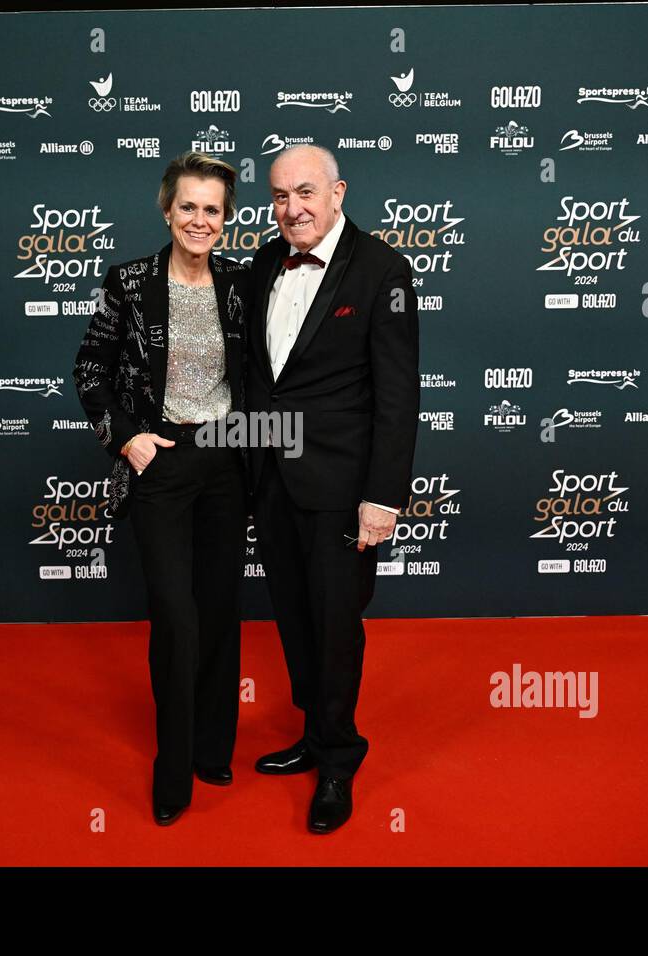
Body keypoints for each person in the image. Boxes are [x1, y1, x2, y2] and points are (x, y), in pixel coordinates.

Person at [73, 152, 251, 826]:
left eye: (212, 210)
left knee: (218, 611)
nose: (199, 220)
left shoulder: (241, 281)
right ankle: (173, 764)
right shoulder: (129, 281)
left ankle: (212, 748)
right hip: (160, 462)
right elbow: (89, 367)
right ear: (167, 210)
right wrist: (126, 436)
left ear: (225, 220)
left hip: (226, 461)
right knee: (176, 618)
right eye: (188, 207)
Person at [245, 144, 419, 833]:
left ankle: (340, 760)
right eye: (281, 195)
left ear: (339, 192)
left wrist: (383, 496)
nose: (293, 208)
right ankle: (314, 736)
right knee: (294, 618)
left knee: (337, 625)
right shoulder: (263, 260)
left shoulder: (382, 269)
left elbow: (398, 394)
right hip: (273, 480)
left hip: (345, 489)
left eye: (307, 192)